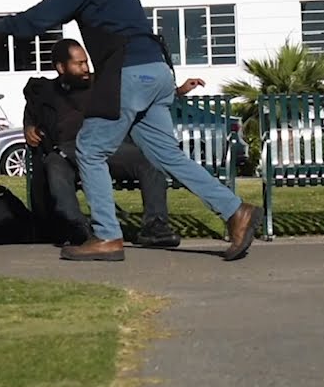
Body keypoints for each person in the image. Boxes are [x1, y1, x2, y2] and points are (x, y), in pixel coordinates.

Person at [0, 0, 256, 262]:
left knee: (89, 149)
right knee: (165, 154)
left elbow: (48, 12)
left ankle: (107, 236)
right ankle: (235, 211)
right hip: (155, 70)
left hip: (128, 72)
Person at [26, 38, 203, 248]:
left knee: (149, 161)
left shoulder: (102, 83)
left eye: (86, 62)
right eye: (79, 63)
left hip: (107, 146)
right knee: (55, 163)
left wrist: (178, 91)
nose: (85, 68)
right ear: (61, 67)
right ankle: (76, 228)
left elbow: (141, 97)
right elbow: (32, 111)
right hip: (68, 153)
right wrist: (28, 126)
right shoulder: (46, 91)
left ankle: (155, 227)